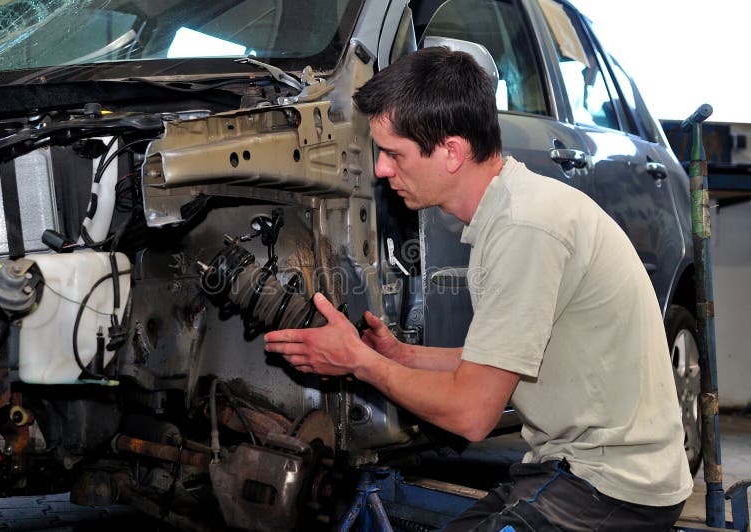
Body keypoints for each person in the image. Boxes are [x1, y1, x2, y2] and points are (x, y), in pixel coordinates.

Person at [263, 46, 692, 531]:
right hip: (574, 470)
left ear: (452, 151)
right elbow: (499, 357)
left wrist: (361, 363)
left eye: (394, 153)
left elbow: (472, 414)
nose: (382, 169)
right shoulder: (510, 210)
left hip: (614, 489)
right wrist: (400, 355)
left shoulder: (524, 228)